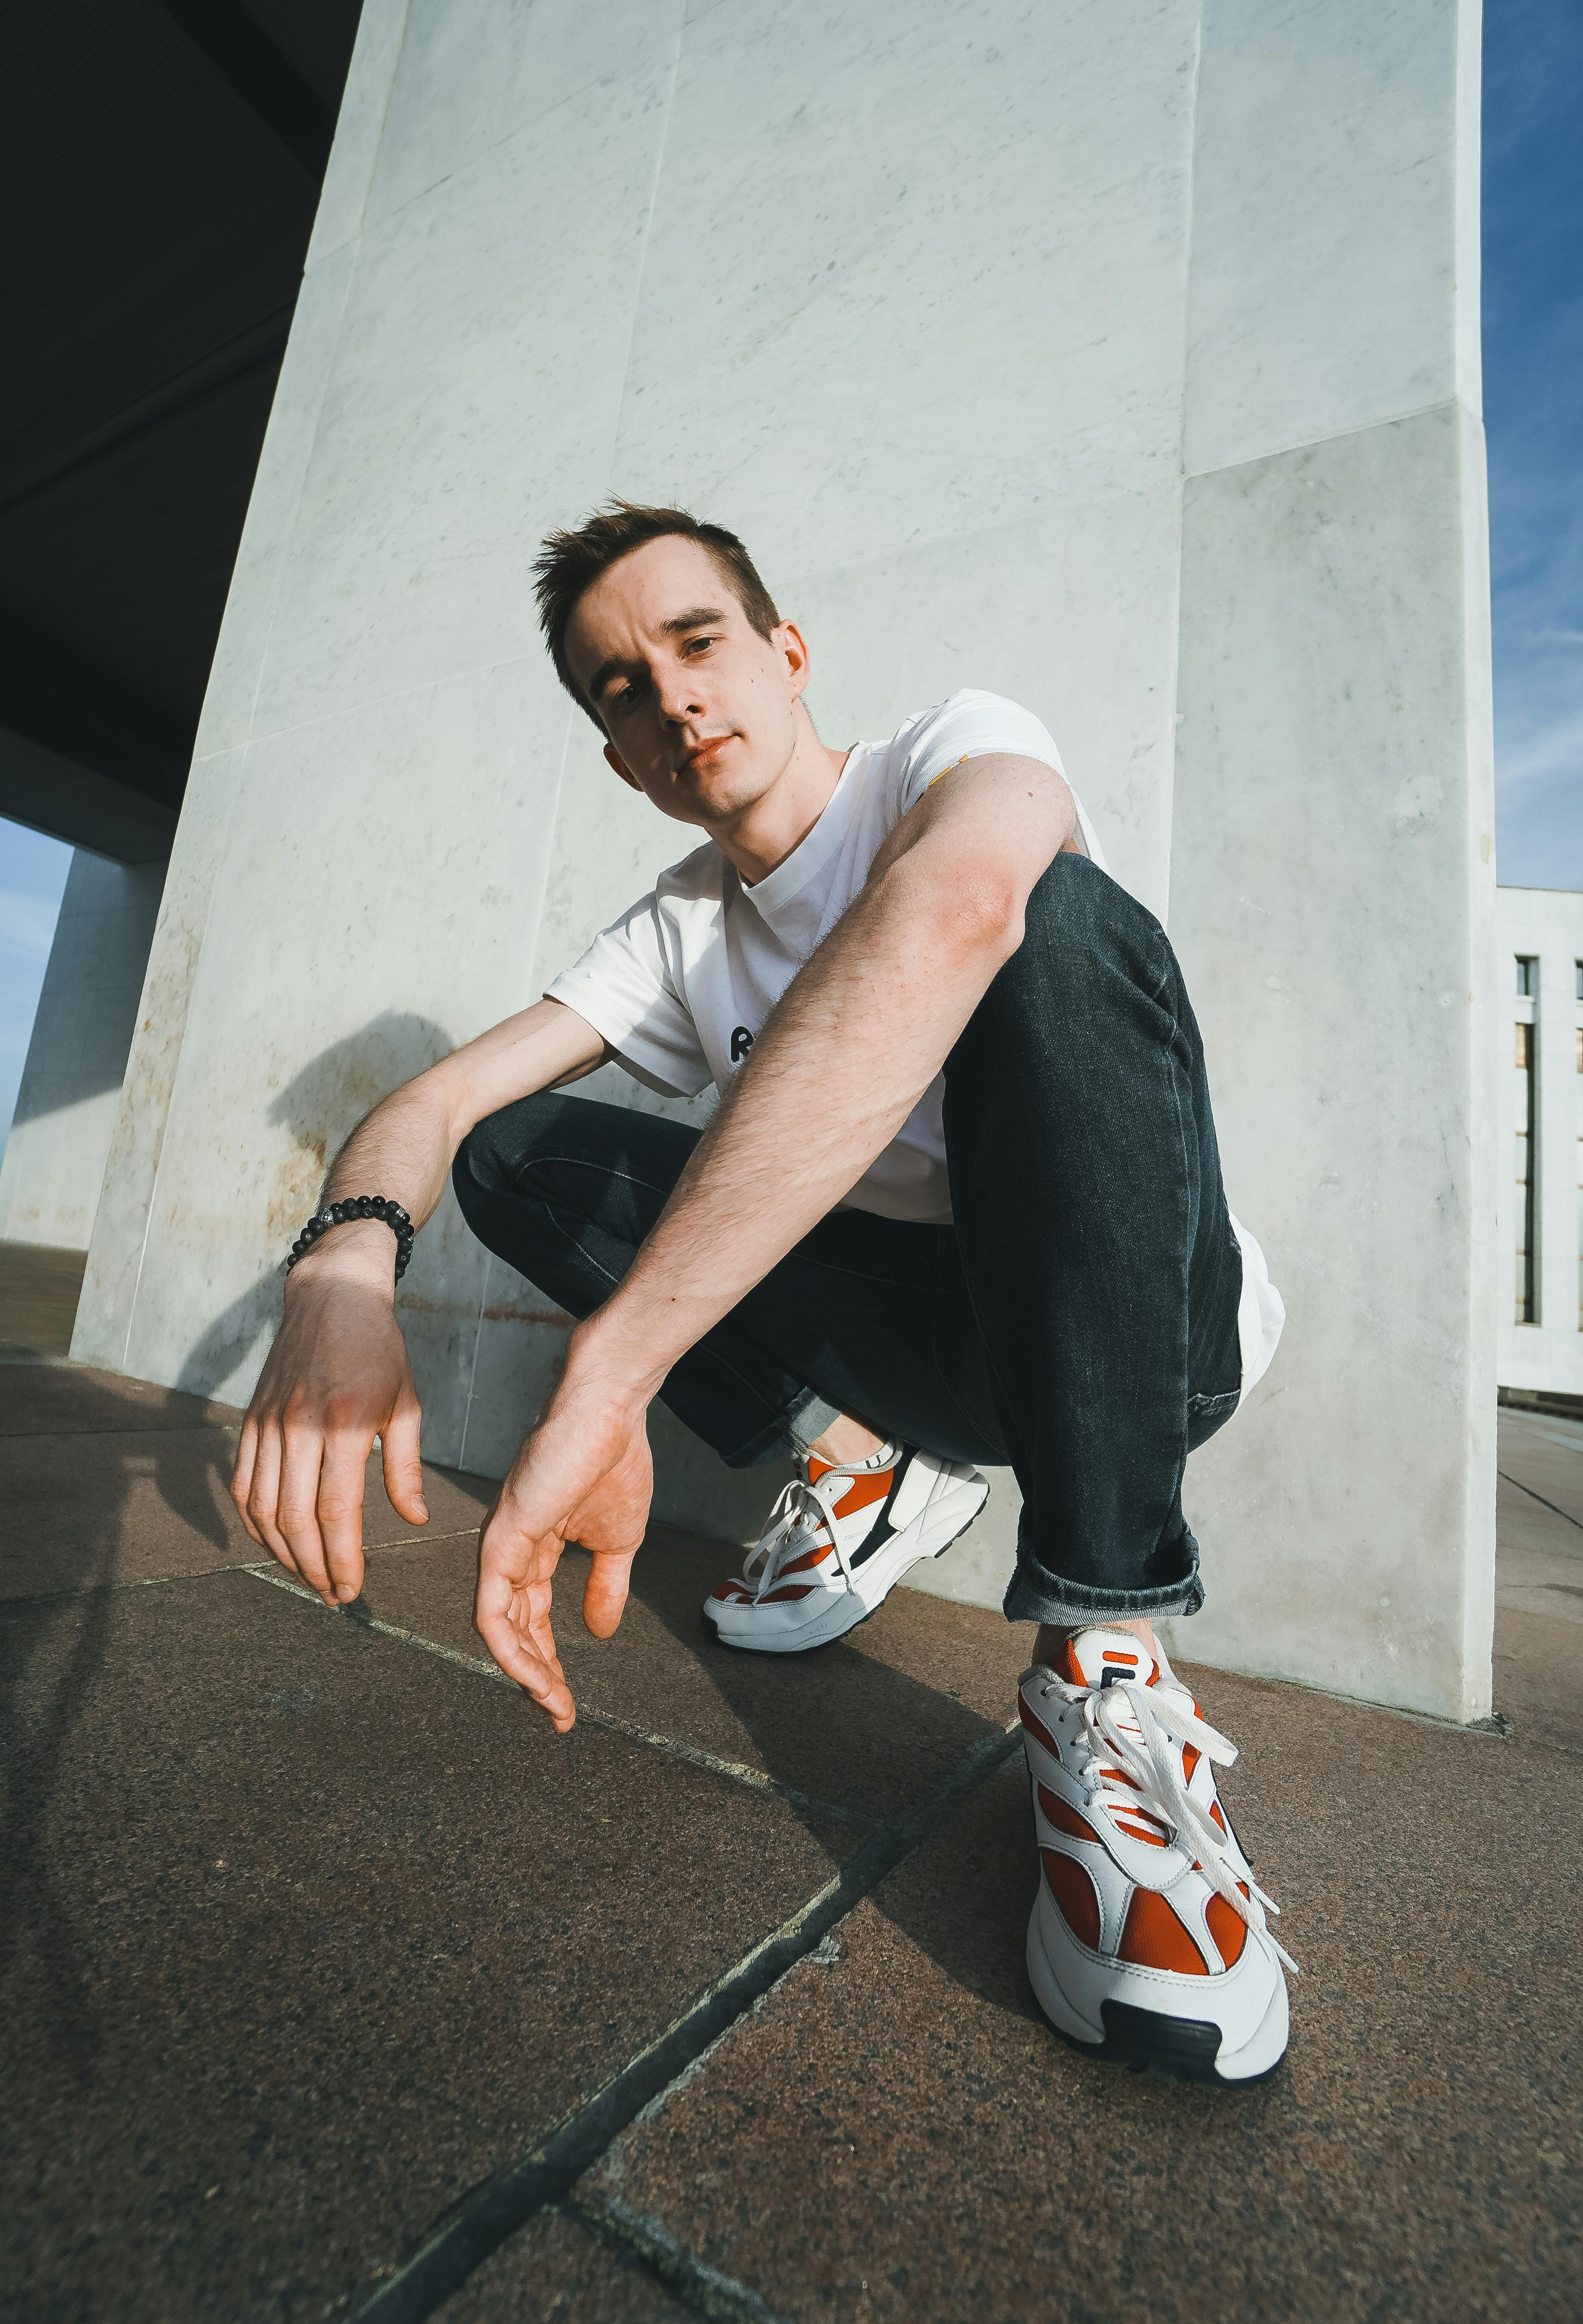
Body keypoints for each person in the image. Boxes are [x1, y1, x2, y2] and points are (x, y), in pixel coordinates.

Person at [231, 501, 1291, 2083]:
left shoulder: (953, 752)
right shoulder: (675, 932)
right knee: (523, 1147)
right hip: (940, 1346)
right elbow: (440, 1110)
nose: (669, 698)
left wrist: (614, 1370)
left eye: (696, 641)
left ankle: (1106, 1664)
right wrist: (344, 1256)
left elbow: (958, 908)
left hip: (1145, 1342)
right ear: (615, 756)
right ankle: (865, 1451)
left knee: (1058, 922)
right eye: (617, 688)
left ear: (787, 655)